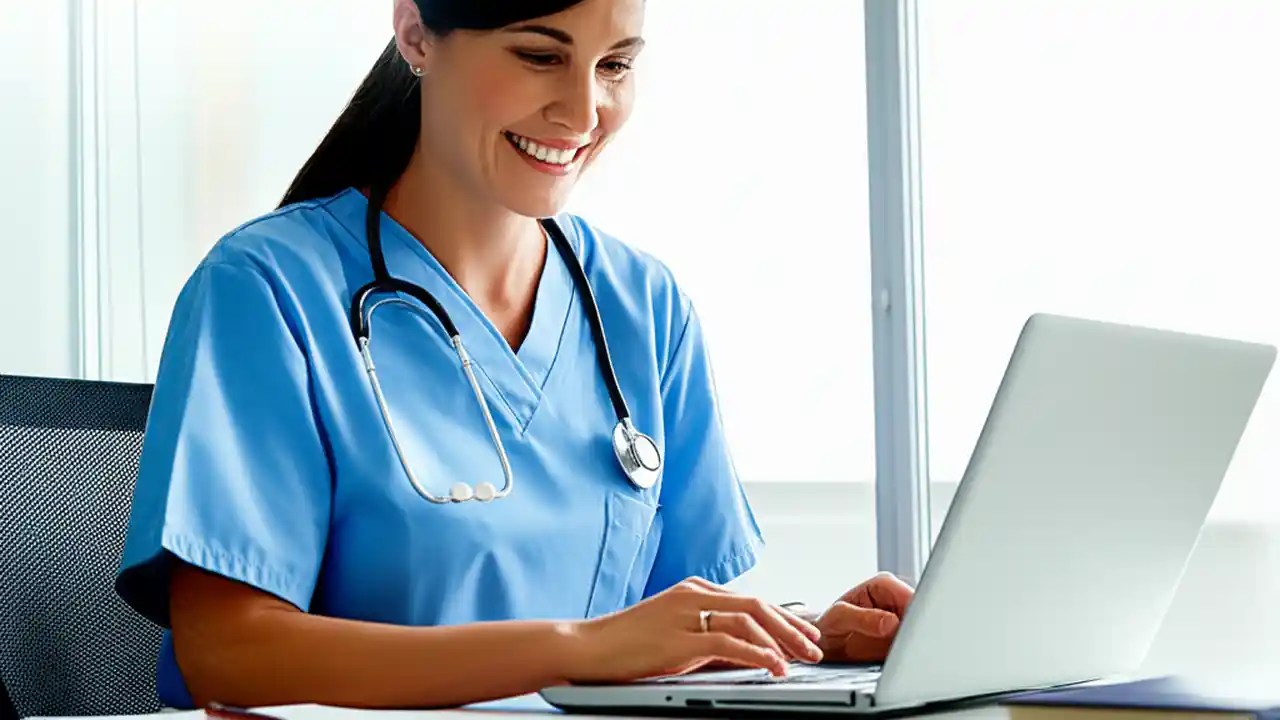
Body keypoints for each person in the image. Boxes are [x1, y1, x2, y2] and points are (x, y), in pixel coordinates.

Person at [114, 0, 914, 710]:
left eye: (616, 66)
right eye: (541, 55)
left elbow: (661, 636)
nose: (583, 108)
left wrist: (807, 639)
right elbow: (229, 653)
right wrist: (576, 648)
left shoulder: (642, 306)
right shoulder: (269, 290)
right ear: (416, 33)